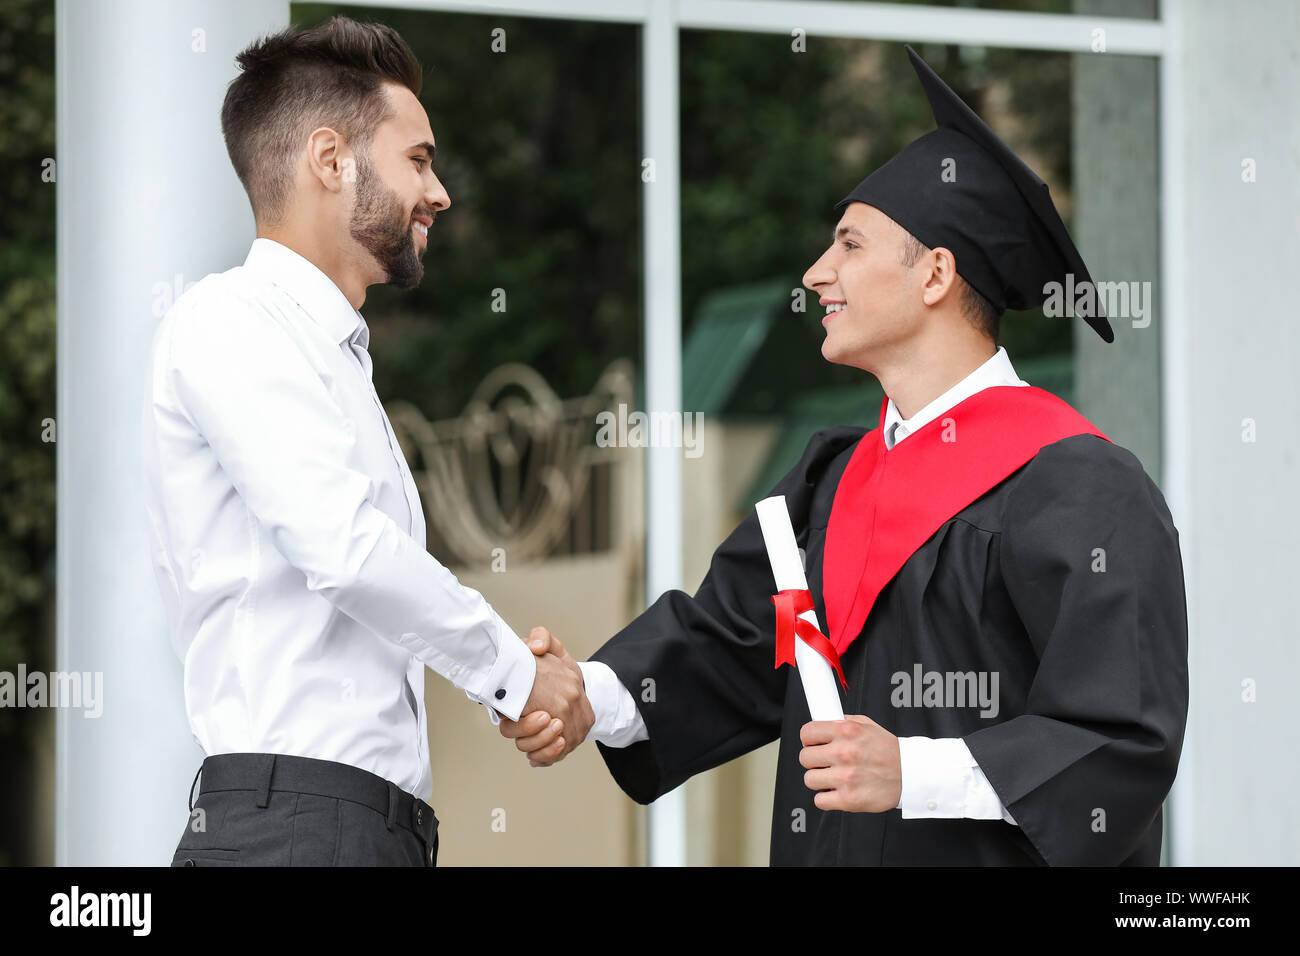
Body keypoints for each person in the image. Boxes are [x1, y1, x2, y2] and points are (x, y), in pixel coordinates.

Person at [503, 45, 1189, 866]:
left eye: (849, 245)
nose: (816, 272)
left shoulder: (1080, 486)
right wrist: (587, 693)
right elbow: (723, 648)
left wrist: (916, 770)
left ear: (935, 274)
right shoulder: (831, 482)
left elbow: (1122, 739)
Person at [141, 16, 591, 868]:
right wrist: (516, 672)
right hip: (295, 829)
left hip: (354, 829)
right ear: (329, 159)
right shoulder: (231, 318)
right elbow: (346, 550)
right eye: (418, 159)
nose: (440, 192)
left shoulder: (334, 357)